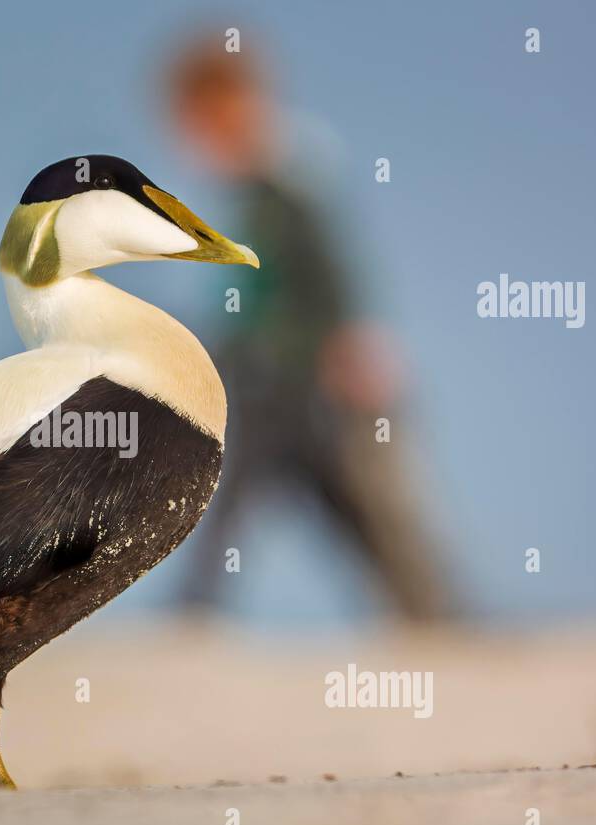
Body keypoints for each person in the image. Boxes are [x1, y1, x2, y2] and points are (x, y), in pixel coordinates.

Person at [165, 35, 455, 623]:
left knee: (358, 506)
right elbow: (260, 293)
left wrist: (352, 342)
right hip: (266, 381)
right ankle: (196, 615)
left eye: (206, 121)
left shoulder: (287, 175)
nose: (198, 140)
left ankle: (436, 617)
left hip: (307, 382)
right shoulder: (254, 191)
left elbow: (331, 270)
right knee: (247, 494)